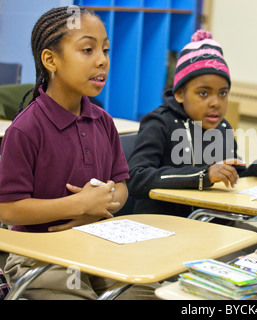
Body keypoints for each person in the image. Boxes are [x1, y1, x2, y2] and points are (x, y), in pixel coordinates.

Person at [0, 6, 155, 300]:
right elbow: (7, 209)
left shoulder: (104, 121)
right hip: (38, 256)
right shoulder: (25, 130)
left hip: (95, 243)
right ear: (51, 60)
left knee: (150, 292)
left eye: (106, 50)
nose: (102, 60)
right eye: (87, 49)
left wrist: (102, 203)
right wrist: (79, 205)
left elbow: (121, 187)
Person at [127, 30, 257, 251]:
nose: (215, 103)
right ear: (180, 94)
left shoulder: (221, 127)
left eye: (223, 93)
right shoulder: (159, 123)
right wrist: (203, 175)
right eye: (203, 93)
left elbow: (230, 173)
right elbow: (137, 178)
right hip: (162, 230)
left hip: (213, 226)